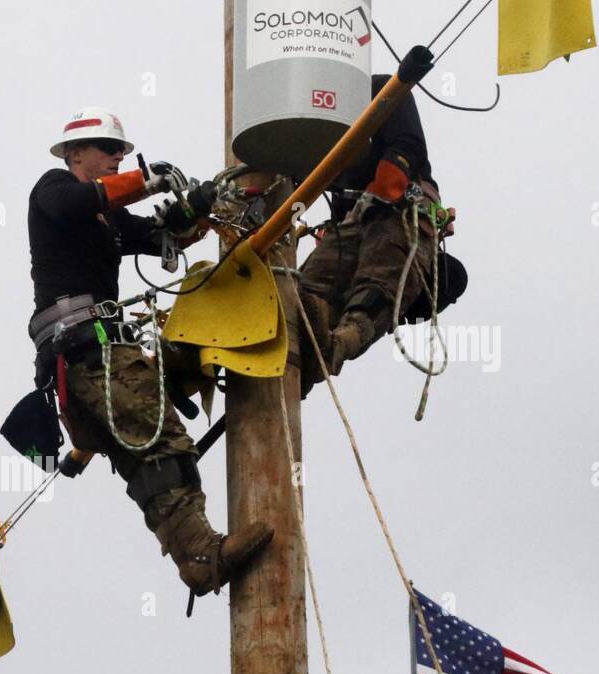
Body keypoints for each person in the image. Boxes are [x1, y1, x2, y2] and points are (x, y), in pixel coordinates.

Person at [27, 106, 272, 598]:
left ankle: (197, 557)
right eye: (109, 150)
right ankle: (202, 552)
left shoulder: (107, 218)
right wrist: (148, 179)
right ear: (76, 153)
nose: (118, 157)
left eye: (122, 151)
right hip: (85, 351)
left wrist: (197, 206)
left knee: (150, 462)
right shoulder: (52, 189)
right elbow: (79, 203)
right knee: (162, 440)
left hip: (93, 359)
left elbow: (161, 235)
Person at [298, 74, 456, 388]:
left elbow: (408, 146)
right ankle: (301, 356)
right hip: (367, 211)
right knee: (306, 293)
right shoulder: (324, 121)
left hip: (400, 205)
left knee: (372, 292)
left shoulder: (383, 90)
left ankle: (331, 350)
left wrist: (389, 181)